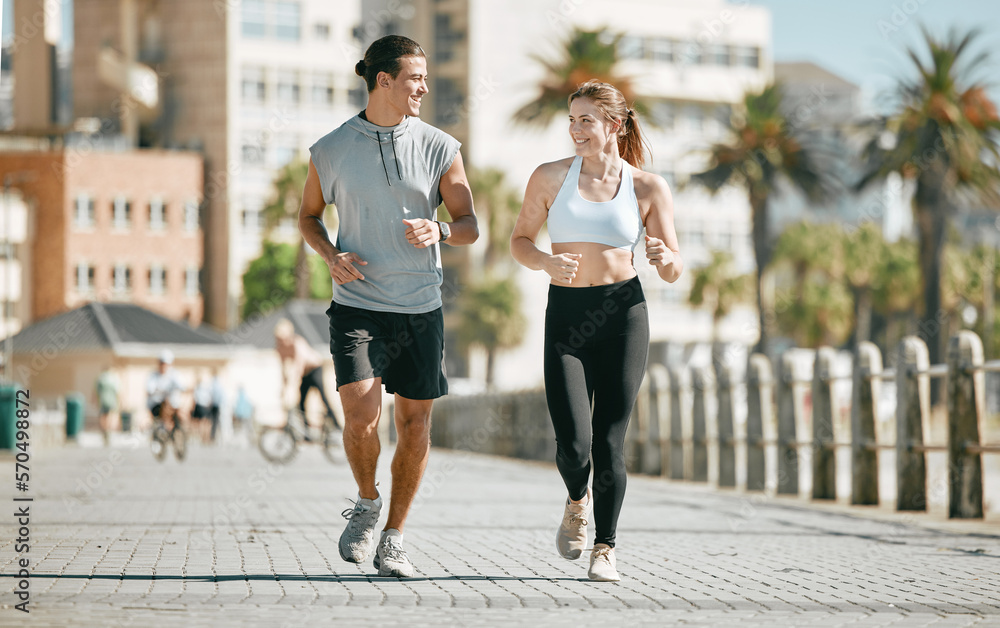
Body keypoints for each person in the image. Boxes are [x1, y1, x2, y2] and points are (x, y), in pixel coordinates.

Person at [299, 34, 478, 578]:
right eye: (415, 79)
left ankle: (394, 536)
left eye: (424, 78)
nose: (424, 87)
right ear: (383, 81)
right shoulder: (329, 150)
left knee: (415, 424)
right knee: (359, 418)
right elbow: (307, 217)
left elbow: (471, 226)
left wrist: (441, 229)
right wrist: (329, 254)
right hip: (356, 303)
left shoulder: (441, 146)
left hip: (420, 306)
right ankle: (366, 501)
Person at [510, 81, 682, 582]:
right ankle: (575, 500)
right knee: (574, 445)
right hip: (566, 313)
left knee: (609, 442)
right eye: (571, 119)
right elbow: (520, 240)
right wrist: (543, 260)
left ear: (614, 124)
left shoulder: (648, 186)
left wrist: (665, 258)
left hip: (624, 314)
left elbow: (673, 266)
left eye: (586, 119)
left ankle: (605, 547)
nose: (575, 129)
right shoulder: (548, 177)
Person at [273, 319, 338, 436]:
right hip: (304, 375)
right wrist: (284, 387)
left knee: (324, 398)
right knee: (302, 403)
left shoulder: (297, 343)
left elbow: (299, 364)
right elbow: (284, 370)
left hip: (315, 370)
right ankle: (307, 431)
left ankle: (337, 426)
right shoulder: (280, 349)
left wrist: (293, 381)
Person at [147, 349, 185, 429]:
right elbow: (150, 390)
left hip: (173, 406)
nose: (164, 366)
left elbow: (182, 386)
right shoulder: (154, 376)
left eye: (166, 364)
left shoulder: (175, 375)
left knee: (182, 414)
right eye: (162, 363)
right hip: (158, 406)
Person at [95, 366, 120, 445]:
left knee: (103, 416)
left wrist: (95, 400)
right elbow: (117, 391)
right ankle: (108, 431)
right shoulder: (113, 378)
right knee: (109, 416)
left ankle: (104, 431)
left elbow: (96, 391)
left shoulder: (100, 378)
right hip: (111, 401)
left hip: (103, 400)